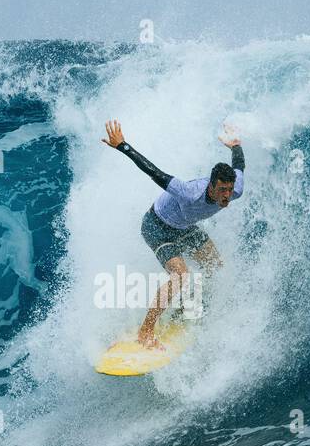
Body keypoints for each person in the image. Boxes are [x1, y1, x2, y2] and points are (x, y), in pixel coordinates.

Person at [103, 120, 245, 348]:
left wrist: (235, 145)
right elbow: (154, 172)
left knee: (214, 265)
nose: (227, 196)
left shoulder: (235, 189)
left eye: (229, 190)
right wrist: (123, 146)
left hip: (185, 227)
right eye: (222, 190)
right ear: (211, 186)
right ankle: (145, 332)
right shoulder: (189, 192)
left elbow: (239, 166)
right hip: (157, 227)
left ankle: (186, 309)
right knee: (180, 275)